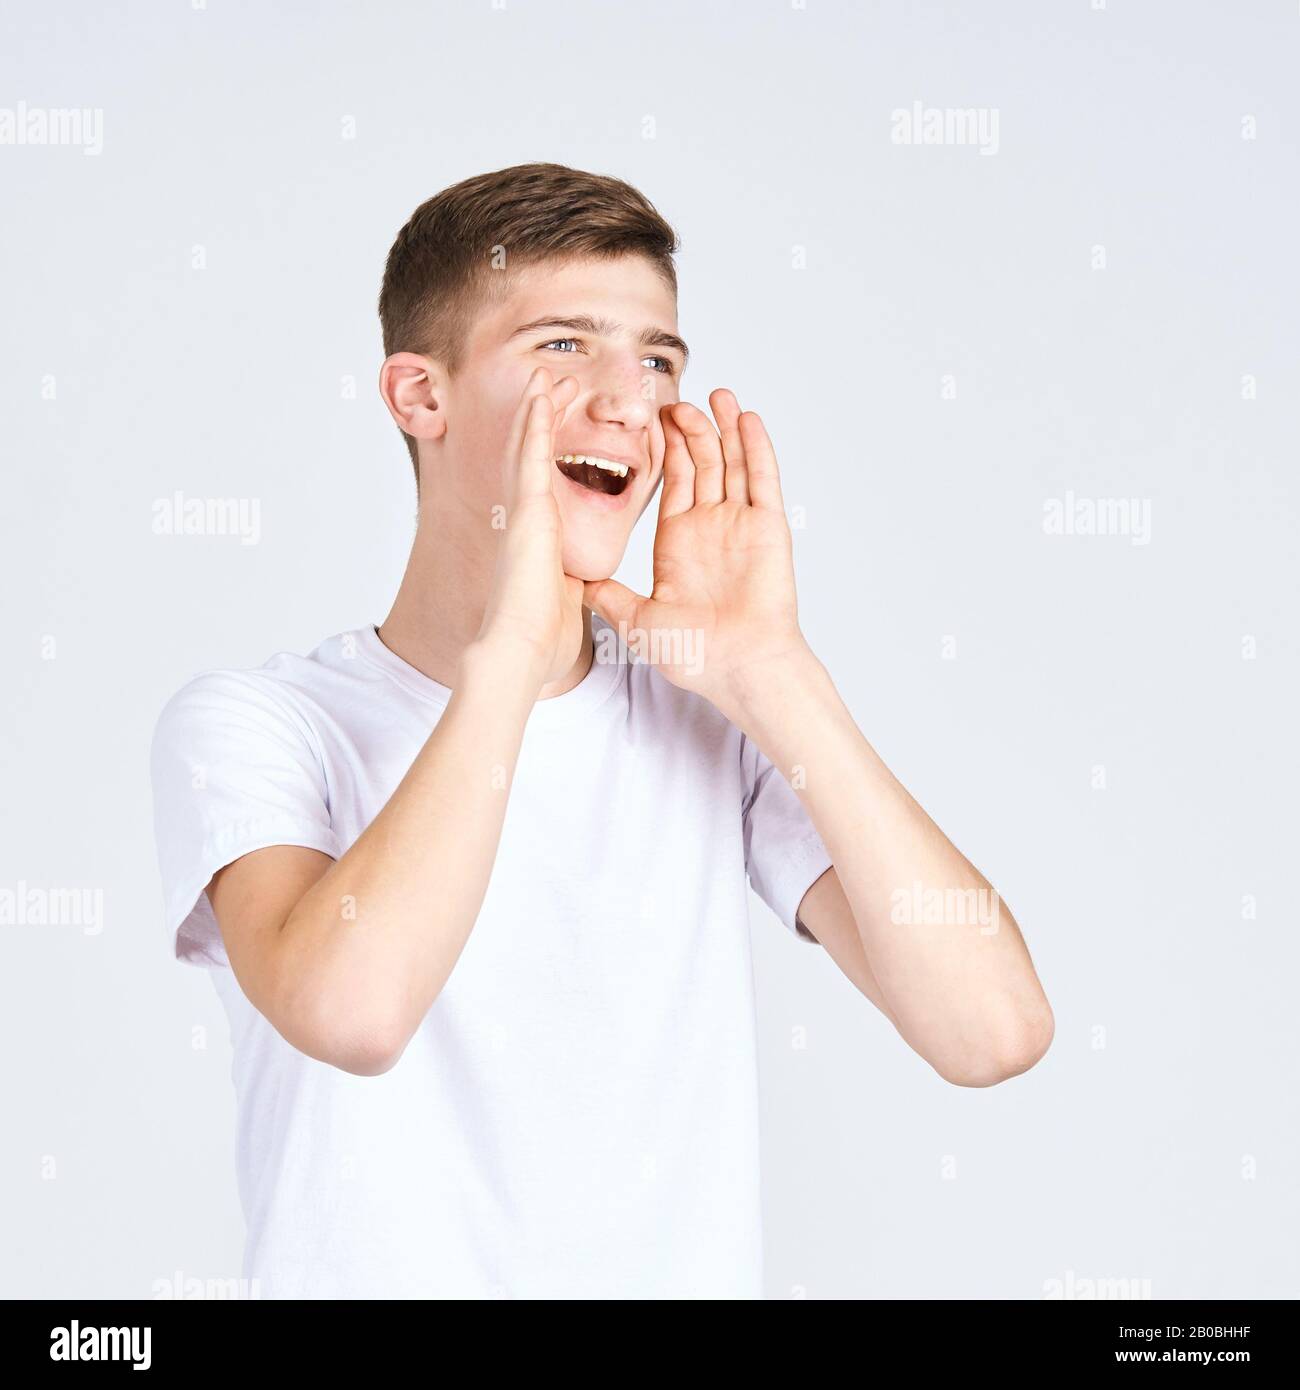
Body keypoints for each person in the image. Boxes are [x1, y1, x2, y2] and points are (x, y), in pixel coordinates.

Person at [149, 162, 1054, 1299]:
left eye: (658, 359)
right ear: (419, 395)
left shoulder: (708, 717)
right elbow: (355, 1013)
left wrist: (778, 677)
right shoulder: (257, 724)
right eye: (563, 345)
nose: (629, 399)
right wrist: (511, 664)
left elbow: (992, 1030)